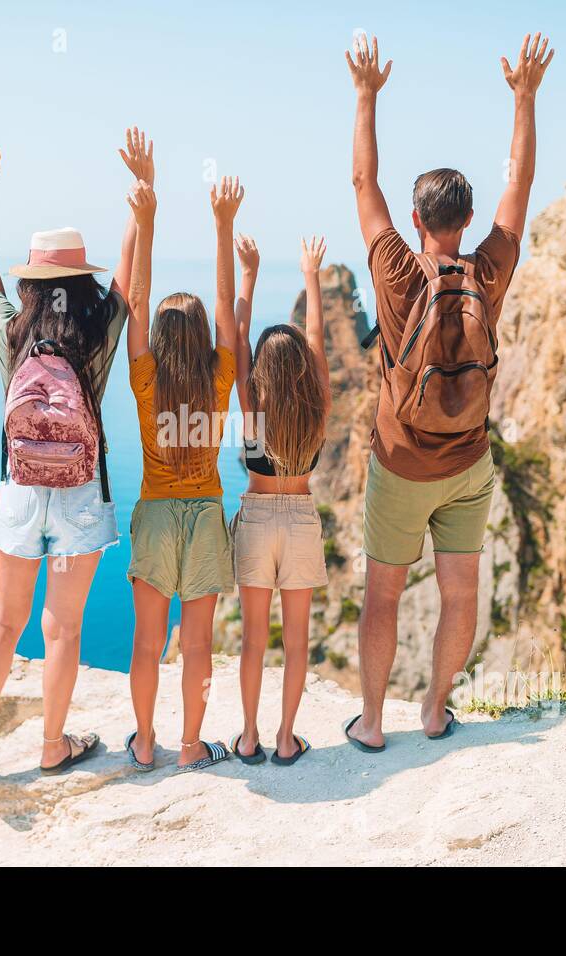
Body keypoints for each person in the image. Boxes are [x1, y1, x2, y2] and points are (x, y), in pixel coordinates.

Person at [342, 33, 554, 749]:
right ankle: (435, 710)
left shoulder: (398, 272)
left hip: (400, 465)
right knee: (460, 592)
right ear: (464, 222)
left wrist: (367, 96)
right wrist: (523, 98)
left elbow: (362, 183)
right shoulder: (489, 269)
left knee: (383, 594)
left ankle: (371, 724)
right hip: (468, 466)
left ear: (416, 220)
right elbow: (519, 187)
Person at [0, 127, 153, 776]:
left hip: (17, 490)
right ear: (81, 277)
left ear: (34, 279)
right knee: (60, 628)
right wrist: (140, 202)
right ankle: (51, 747)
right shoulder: (99, 330)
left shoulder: (12, 334)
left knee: (3, 621)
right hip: (79, 496)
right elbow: (132, 279)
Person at [124, 172, 244, 773]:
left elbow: (136, 302)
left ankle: (145, 742)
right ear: (199, 338)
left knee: (148, 644)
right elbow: (226, 307)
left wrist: (147, 220)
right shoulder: (218, 378)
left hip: (154, 514)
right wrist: (222, 225)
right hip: (204, 516)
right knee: (197, 646)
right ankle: (192, 746)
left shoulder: (144, 380)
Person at [227, 234, 331, 766]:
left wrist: (249, 274)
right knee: (296, 643)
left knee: (252, 642)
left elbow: (239, 338)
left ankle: (248, 737)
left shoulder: (252, 411)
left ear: (261, 375)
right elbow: (315, 338)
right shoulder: (317, 407)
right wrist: (310, 275)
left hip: (257, 516)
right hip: (301, 520)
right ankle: (287, 739)